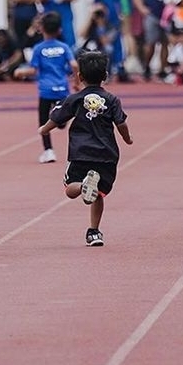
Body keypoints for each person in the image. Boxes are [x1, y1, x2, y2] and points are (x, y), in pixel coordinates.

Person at [39, 50, 132, 247]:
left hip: (81, 153)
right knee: (98, 194)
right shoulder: (112, 100)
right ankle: (94, 231)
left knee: (70, 189)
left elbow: (57, 118)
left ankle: (82, 186)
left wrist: (44, 129)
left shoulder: (74, 99)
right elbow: (121, 123)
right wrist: (127, 139)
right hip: (106, 155)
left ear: (79, 76)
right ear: (105, 76)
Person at [14, 12, 78, 164]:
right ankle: (61, 120)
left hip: (46, 90)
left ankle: (48, 150)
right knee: (62, 120)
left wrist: (20, 71)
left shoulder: (39, 49)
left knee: (43, 122)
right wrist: (76, 81)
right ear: (60, 30)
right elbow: (74, 65)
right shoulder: (63, 47)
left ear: (41, 29)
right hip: (62, 89)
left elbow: (34, 70)